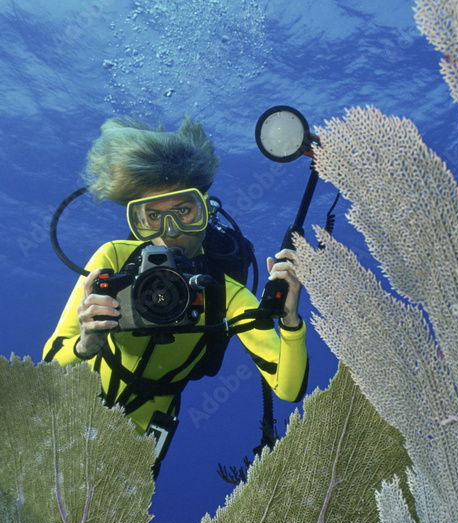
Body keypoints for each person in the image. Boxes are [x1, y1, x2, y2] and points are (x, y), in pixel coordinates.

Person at [43, 115, 308, 468]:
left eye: (184, 211)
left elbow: (288, 389)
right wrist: (85, 345)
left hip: (143, 438)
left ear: (205, 211)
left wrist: (290, 320)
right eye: (152, 216)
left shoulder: (223, 292)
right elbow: (49, 365)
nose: (170, 230)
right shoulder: (112, 260)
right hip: (70, 414)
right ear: (135, 222)